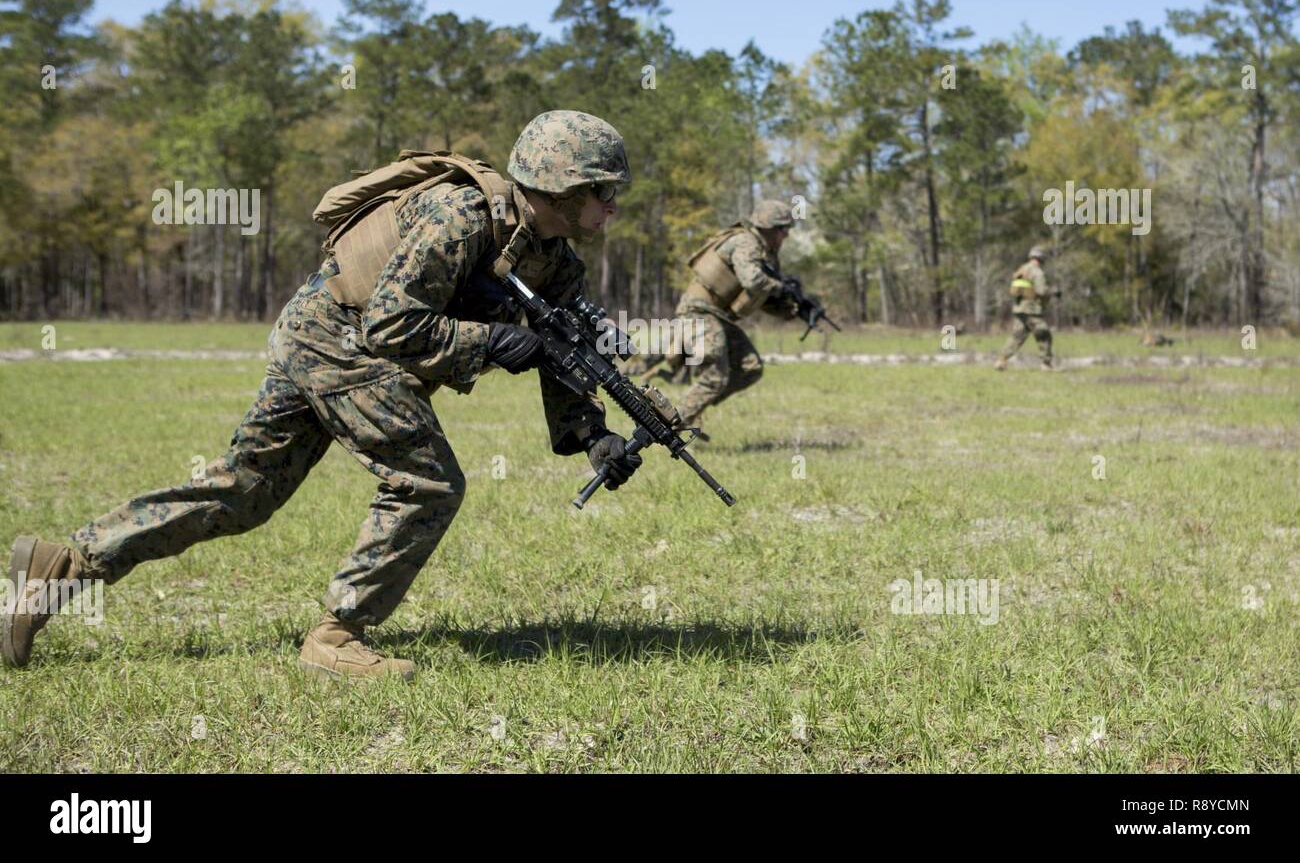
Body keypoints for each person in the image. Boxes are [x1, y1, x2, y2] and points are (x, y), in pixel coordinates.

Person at [2, 110, 645, 680]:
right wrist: (495, 344)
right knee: (428, 483)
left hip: (332, 338)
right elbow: (393, 324)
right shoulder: (461, 218)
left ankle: (62, 566)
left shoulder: (556, 258)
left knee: (245, 490)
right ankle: (337, 637)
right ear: (564, 186)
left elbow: (560, 348)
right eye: (605, 193)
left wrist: (593, 434)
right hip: (336, 337)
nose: (612, 208)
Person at [671, 199, 802, 440]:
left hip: (717, 317)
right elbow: (753, 280)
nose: (786, 236)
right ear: (768, 227)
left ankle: (690, 412)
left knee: (750, 367)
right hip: (698, 312)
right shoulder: (746, 243)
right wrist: (782, 287)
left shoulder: (765, 254)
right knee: (715, 375)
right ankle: (669, 424)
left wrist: (790, 308)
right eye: (783, 229)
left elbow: (758, 296)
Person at [995, 245, 1059, 371]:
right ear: (1041, 258)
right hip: (1032, 309)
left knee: (1017, 336)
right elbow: (1041, 291)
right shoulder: (1037, 272)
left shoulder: (1022, 269)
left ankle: (1001, 360)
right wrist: (1053, 292)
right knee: (1044, 334)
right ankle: (1046, 364)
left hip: (1019, 309)